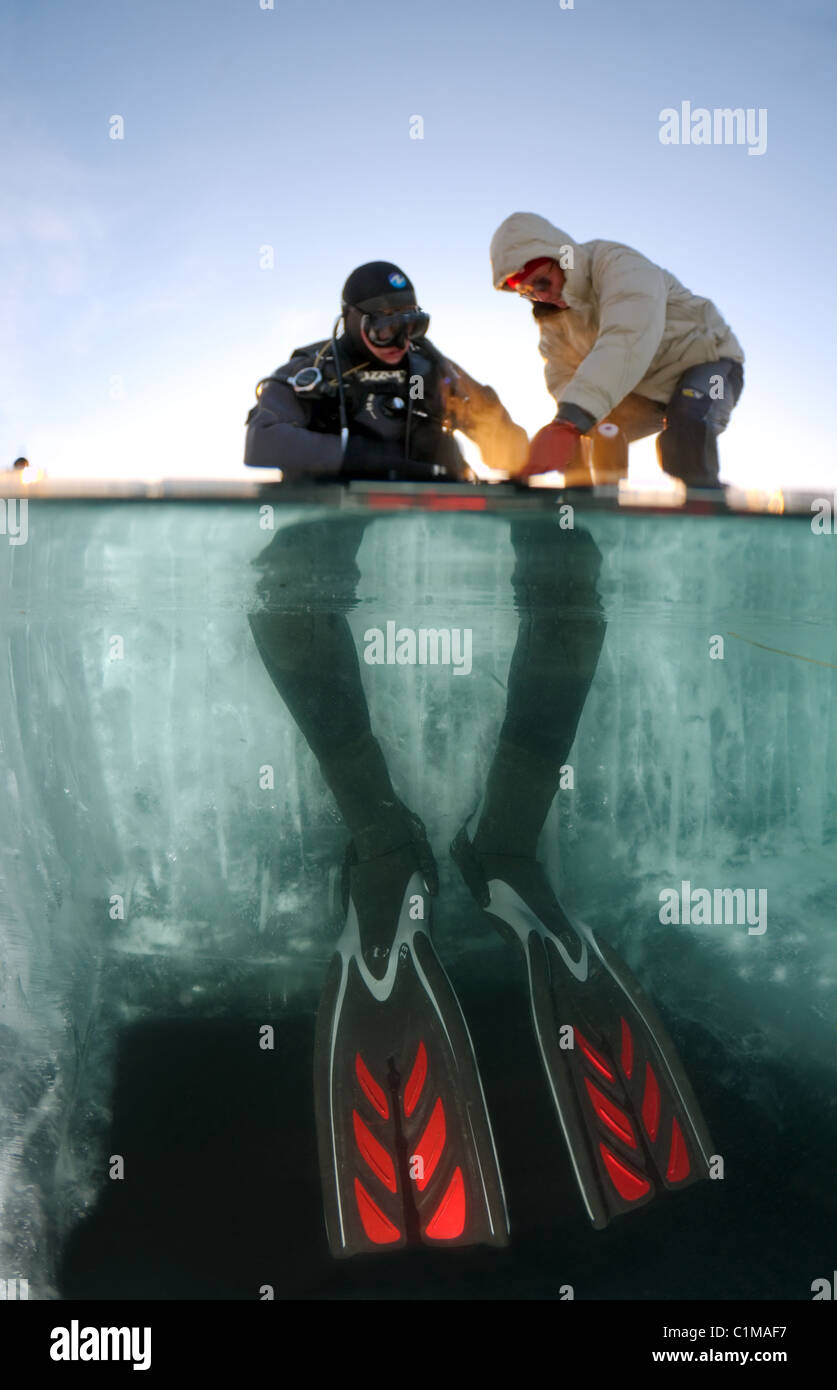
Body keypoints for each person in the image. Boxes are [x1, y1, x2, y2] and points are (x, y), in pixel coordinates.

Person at [490, 212, 745, 488]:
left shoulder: (619, 265)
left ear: (562, 259)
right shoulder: (553, 320)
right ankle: (591, 506)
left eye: (542, 282)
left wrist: (568, 423)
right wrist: (568, 428)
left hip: (709, 363)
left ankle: (706, 503)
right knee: (598, 431)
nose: (541, 296)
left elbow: (626, 339)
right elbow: (562, 375)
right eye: (528, 292)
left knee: (686, 421)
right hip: (642, 386)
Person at [244, 261, 527, 479]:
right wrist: (361, 456)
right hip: (330, 515)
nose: (402, 343)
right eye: (385, 329)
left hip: (429, 520)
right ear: (352, 321)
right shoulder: (314, 369)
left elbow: (506, 444)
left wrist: (515, 449)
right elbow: (261, 442)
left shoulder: (430, 368)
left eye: (412, 327)